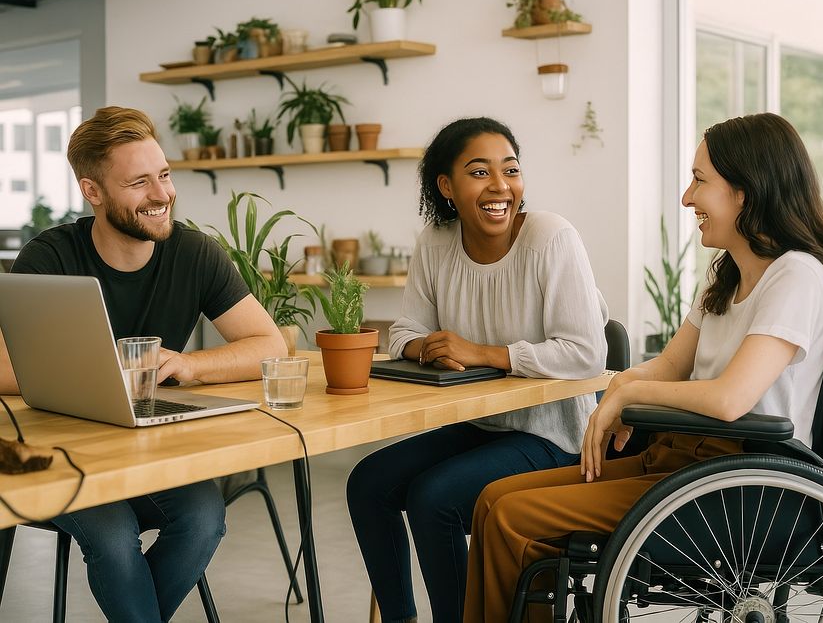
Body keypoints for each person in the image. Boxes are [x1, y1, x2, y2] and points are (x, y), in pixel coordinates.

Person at [463, 112, 823, 622]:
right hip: (684, 465)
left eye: (700, 180)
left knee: (514, 518)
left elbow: (730, 399)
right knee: (491, 499)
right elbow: (670, 365)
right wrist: (622, 384)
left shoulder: (795, 276)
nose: (687, 198)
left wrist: (627, 399)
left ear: (745, 191)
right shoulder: (732, 273)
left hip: (739, 489)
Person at [0, 106, 286, 622]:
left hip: (148, 455)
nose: (162, 195)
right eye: (139, 182)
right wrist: (100, 370)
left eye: (165, 175)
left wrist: (189, 365)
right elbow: (1, 366)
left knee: (203, 516)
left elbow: (269, 344)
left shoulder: (196, 254)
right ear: (93, 193)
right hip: (64, 455)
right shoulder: (50, 257)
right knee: (112, 535)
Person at [347, 117, 609, 623]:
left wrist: (484, 352)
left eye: (510, 170)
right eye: (479, 172)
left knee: (434, 499)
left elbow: (585, 353)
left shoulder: (550, 238)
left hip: (554, 436)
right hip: (479, 425)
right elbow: (402, 332)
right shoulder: (436, 242)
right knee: (367, 483)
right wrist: (428, 347)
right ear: (447, 187)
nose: (500, 187)